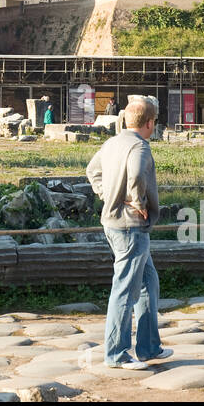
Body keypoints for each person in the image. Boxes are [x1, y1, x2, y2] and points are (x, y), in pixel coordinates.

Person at [85, 97, 173, 370]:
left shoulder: (112, 142)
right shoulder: (140, 146)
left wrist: (106, 194)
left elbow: (92, 170)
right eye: (154, 122)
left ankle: (148, 347)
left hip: (114, 223)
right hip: (130, 226)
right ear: (149, 123)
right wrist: (138, 201)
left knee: (149, 284)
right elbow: (135, 175)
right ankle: (117, 354)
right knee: (124, 290)